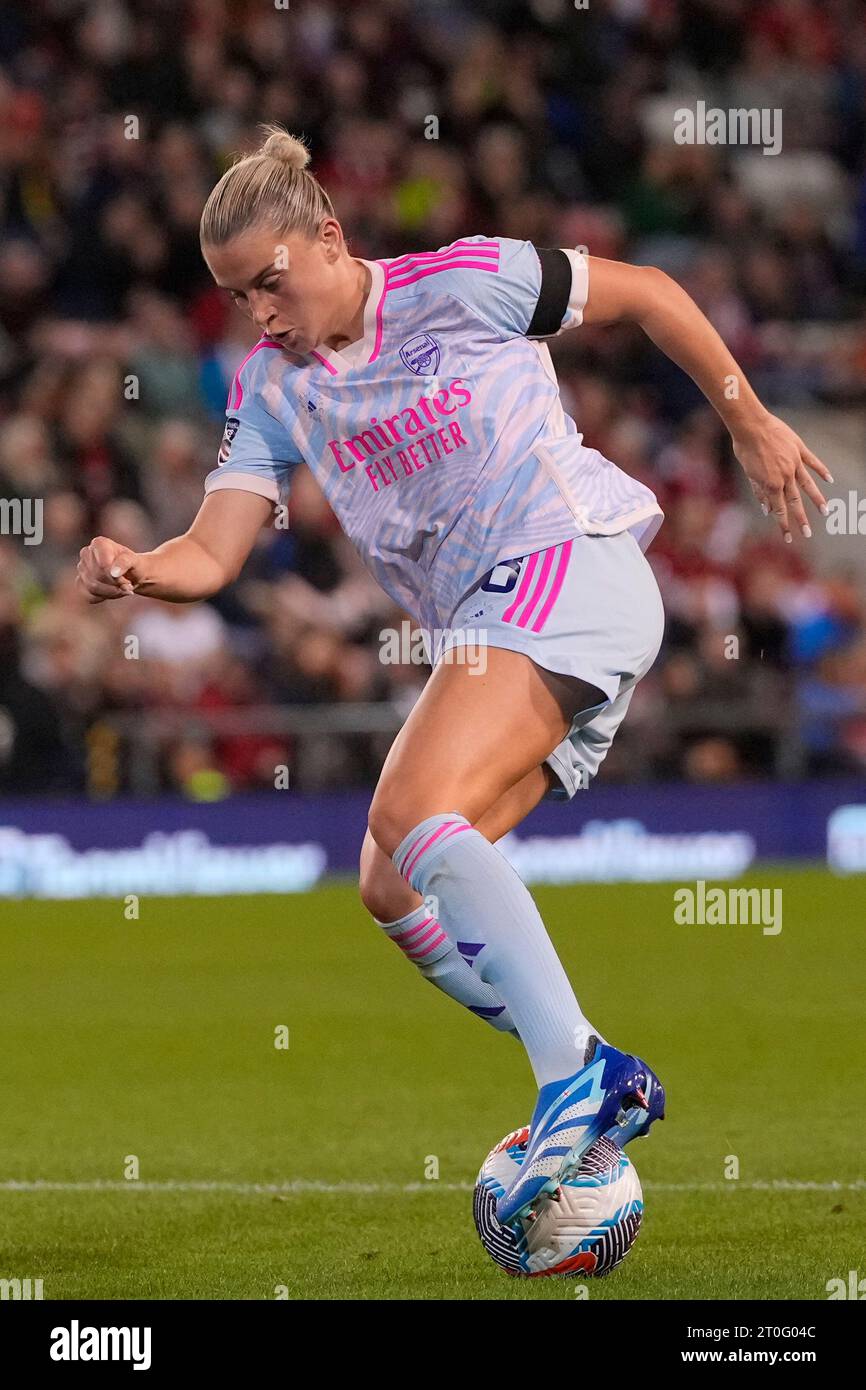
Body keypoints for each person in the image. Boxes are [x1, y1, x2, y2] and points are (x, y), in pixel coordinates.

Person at [77, 125, 831, 1228]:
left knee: (409, 805)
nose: (262, 314)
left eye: (271, 282)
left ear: (328, 238)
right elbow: (212, 550)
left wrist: (747, 416)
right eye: (240, 299)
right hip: (499, 623)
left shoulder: (465, 282)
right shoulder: (274, 388)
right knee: (388, 881)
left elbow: (649, 291)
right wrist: (138, 568)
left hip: (566, 558)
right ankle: (578, 1063)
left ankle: (577, 1069)